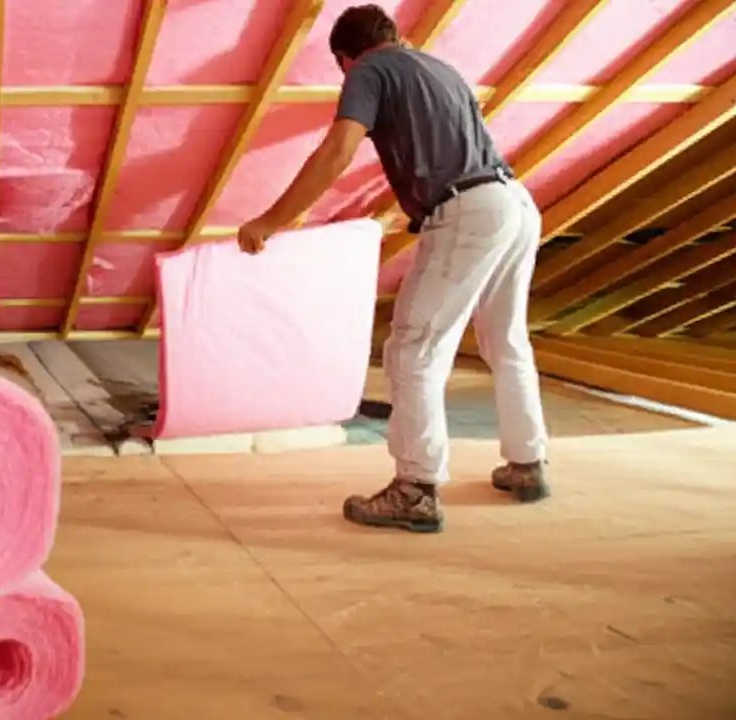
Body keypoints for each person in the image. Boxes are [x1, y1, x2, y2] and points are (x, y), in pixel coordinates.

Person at [236, 4, 550, 533]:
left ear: (344, 57)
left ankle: (416, 490)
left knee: (412, 349)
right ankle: (527, 463)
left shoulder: (368, 70)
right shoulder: (437, 68)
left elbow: (338, 152)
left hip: (468, 211)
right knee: (506, 341)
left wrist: (269, 222)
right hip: (514, 203)